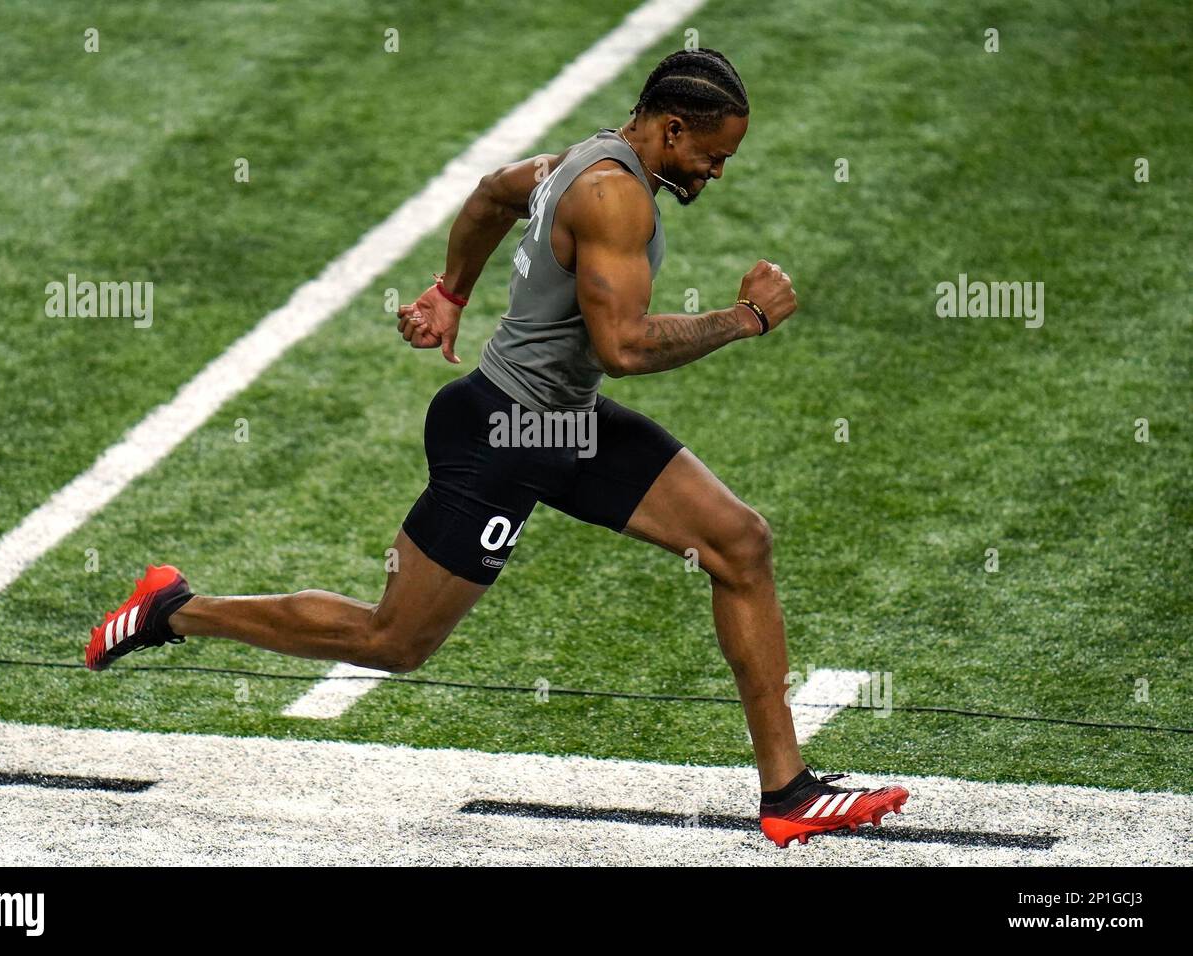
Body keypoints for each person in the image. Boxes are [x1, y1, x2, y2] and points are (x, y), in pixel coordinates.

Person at [85, 49, 907, 847]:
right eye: (714, 155)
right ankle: (174, 610)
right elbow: (623, 346)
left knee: (740, 542)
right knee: (393, 641)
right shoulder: (614, 196)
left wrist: (451, 292)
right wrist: (745, 318)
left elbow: (492, 193)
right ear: (670, 129)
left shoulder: (578, 160)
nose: (718, 172)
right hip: (505, 432)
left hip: (563, 421)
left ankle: (789, 793)